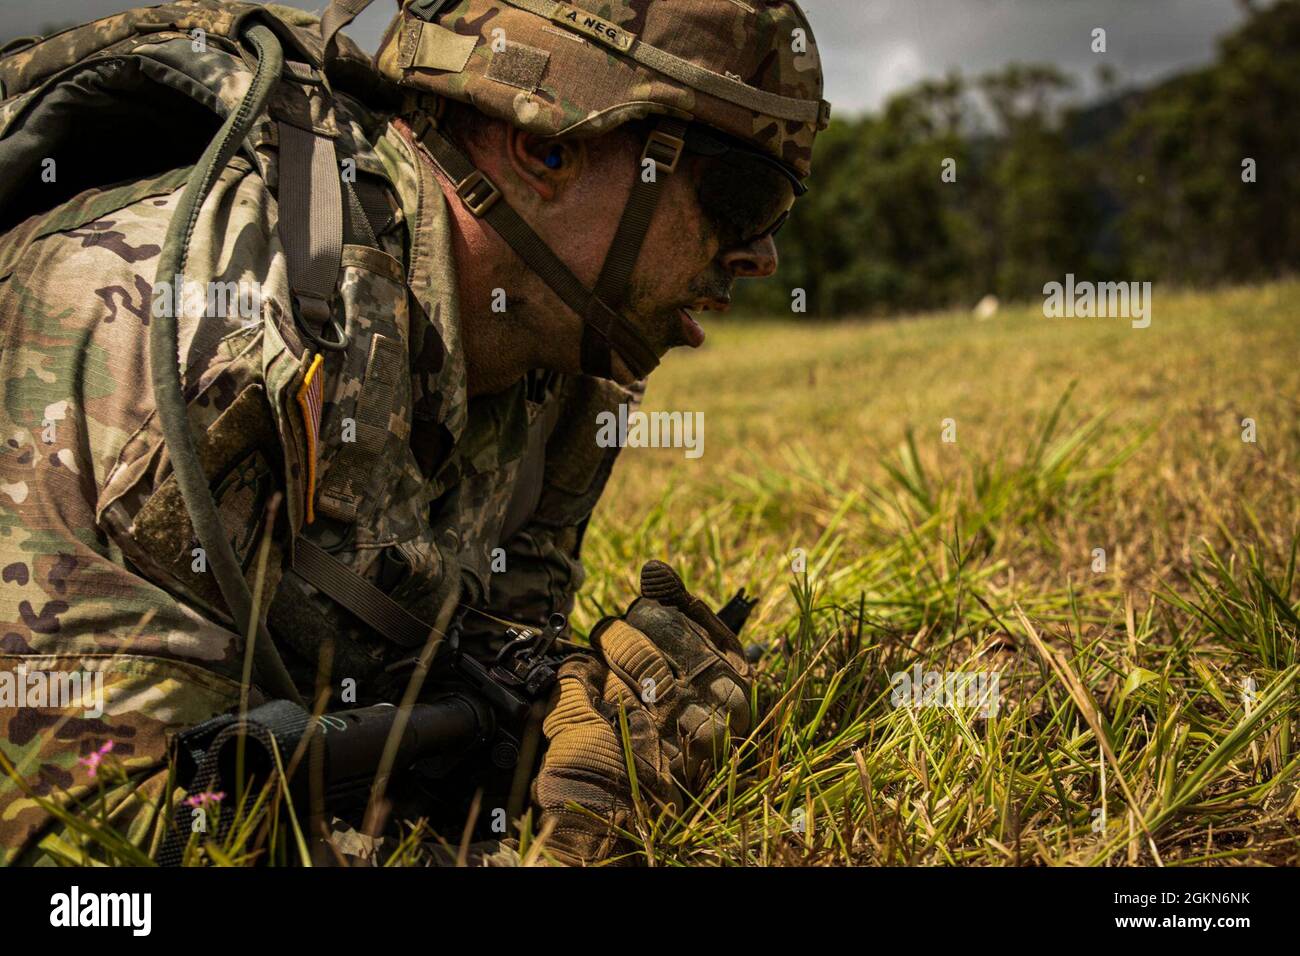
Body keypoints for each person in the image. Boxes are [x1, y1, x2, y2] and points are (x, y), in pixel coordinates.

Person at [0, 0, 828, 865]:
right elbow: (75, 849)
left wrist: (581, 723)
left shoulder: (560, 371)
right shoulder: (200, 326)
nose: (759, 254)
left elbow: (484, 668)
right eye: (741, 194)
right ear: (547, 147)